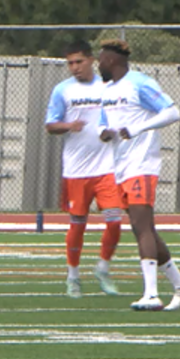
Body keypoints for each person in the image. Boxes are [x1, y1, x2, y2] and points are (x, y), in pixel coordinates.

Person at [97, 39, 180, 311]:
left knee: (142, 227)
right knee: (145, 229)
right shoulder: (107, 91)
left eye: (102, 60)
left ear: (114, 60)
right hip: (122, 167)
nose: (99, 64)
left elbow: (172, 112)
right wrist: (103, 134)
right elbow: (103, 125)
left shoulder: (140, 83)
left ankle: (151, 293)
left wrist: (140, 128)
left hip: (142, 165)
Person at [45, 40, 123, 298]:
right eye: (70, 63)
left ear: (91, 60)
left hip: (106, 167)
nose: (74, 68)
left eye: (79, 62)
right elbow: (50, 125)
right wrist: (69, 126)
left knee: (114, 221)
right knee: (77, 224)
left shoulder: (107, 87)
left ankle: (103, 267)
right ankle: (73, 277)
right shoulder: (62, 91)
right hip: (76, 170)